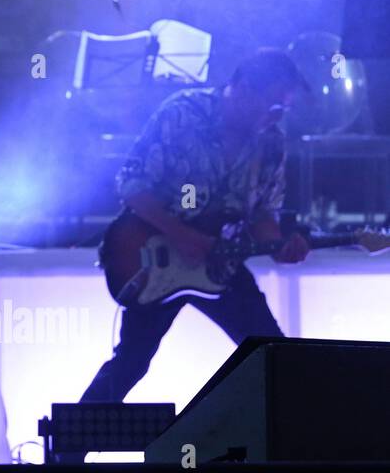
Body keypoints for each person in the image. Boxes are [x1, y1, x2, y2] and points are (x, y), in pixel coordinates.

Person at [79, 48, 312, 409]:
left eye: (283, 110)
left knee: (271, 353)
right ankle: (67, 452)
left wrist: (280, 245)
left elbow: (263, 214)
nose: (277, 118)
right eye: (274, 106)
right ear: (245, 89)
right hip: (155, 258)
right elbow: (131, 183)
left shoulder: (270, 143)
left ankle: (297, 453)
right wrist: (180, 234)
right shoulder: (182, 113)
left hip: (220, 262)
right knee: (131, 363)